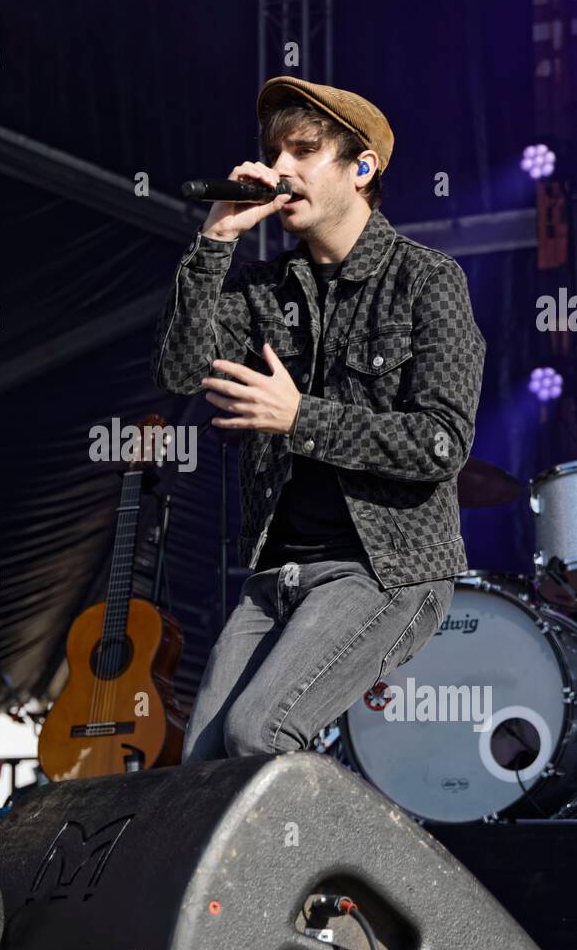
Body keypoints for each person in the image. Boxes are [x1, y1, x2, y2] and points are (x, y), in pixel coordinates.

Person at [150, 76, 486, 760]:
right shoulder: (261, 288)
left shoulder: (427, 280)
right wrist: (214, 240)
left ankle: (360, 868)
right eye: (274, 153)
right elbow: (181, 373)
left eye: (303, 151)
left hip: (384, 569)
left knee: (258, 734)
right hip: (276, 574)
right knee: (201, 768)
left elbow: (440, 442)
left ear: (361, 168)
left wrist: (300, 417)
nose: (279, 170)